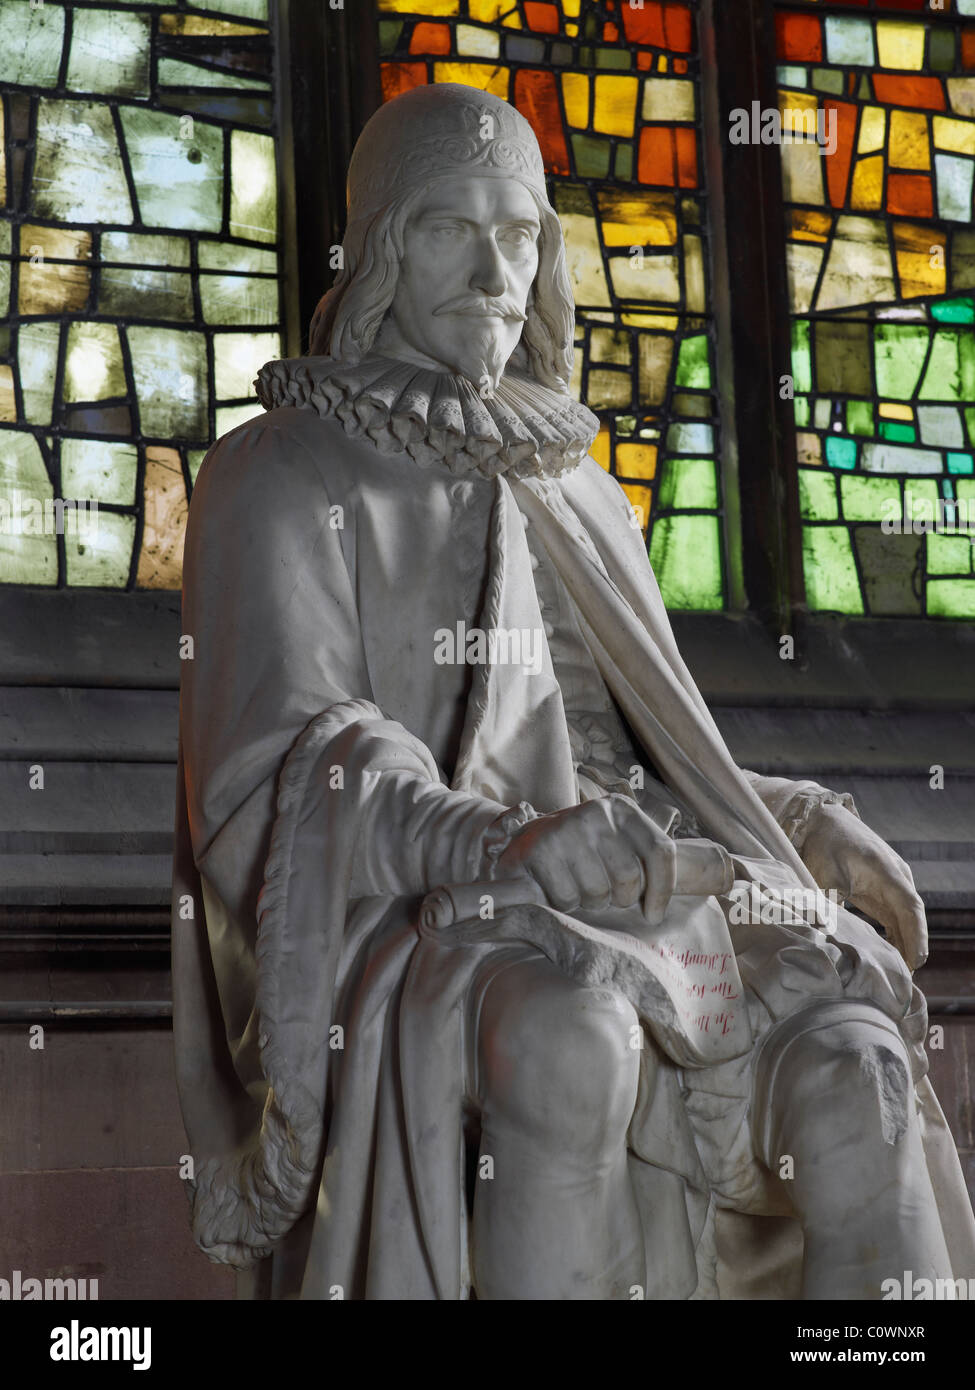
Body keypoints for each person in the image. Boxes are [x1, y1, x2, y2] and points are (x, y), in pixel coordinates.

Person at [172, 83, 975, 1300]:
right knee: (565, 1040)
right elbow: (289, 770)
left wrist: (795, 819)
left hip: (656, 890)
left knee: (855, 1063)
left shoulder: (583, 486)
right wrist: (514, 841)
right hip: (434, 903)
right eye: (452, 227)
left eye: (521, 234)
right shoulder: (274, 475)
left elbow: (639, 761)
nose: (496, 271)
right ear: (383, 244)